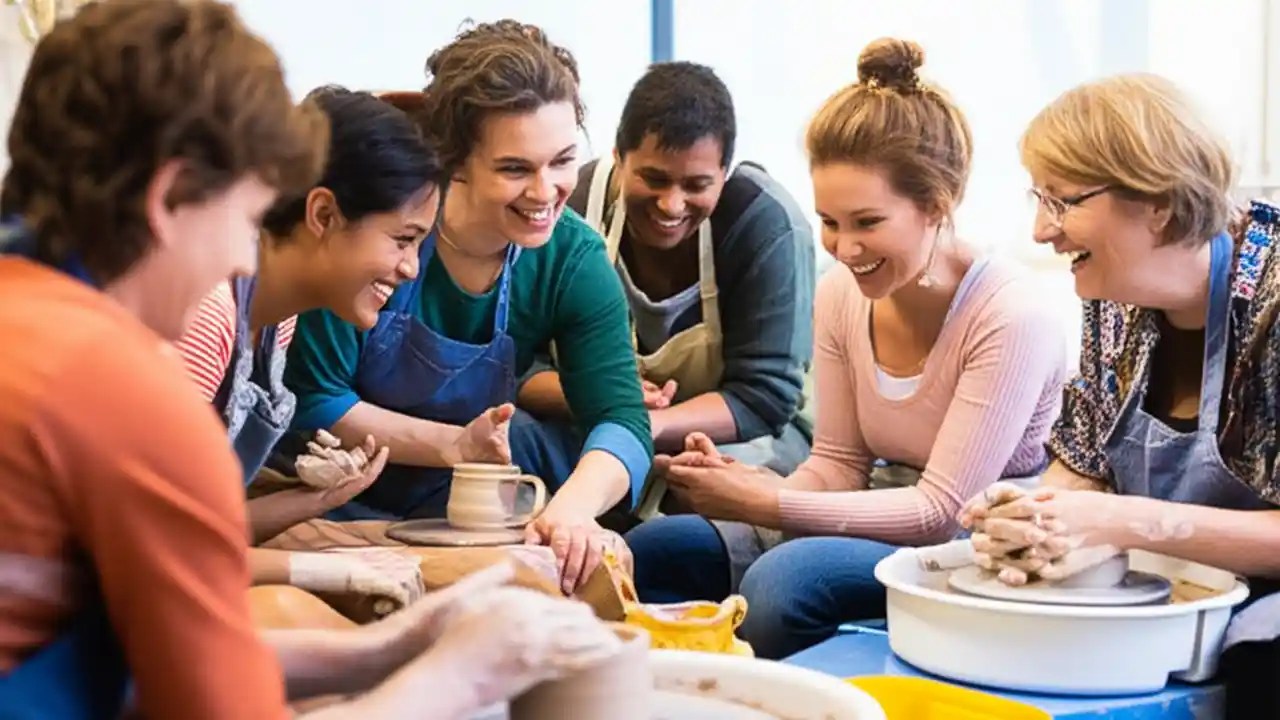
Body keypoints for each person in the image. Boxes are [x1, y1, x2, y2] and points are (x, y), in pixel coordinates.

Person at [0, 2, 623, 717]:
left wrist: (403, 641)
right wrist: (460, 672)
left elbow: (163, 638)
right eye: (244, 218)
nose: (244, 256)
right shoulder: (132, 380)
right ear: (169, 198)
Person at [623, 38, 1067, 660]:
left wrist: (769, 501)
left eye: (868, 222)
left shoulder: (1011, 314)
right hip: (876, 513)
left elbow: (941, 511)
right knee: (647, 553)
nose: (844, 247)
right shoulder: (841, 295)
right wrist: (742, 487)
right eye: (830, 222)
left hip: (979, 543)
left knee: (780, 588)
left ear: (937, 206)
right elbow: (837, 463)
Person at [284, 20, 650, 593]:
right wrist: (452, 446)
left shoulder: (572, 258)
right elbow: (314, 400)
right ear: (454, 161)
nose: (546, 191)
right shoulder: (382, 234)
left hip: (454, 503)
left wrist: (575, 511)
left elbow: (623, 422)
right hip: (323, 497)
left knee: (588, 569)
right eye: (514, 168)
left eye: (561, 161)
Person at [958, 73, 1280, 720]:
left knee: (1261, 664)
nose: (1042, 231)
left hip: (1262, 600)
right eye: (1037, 198)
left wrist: (1120, 523)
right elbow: (1083, 460)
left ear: (1156, 201)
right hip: (1189, 578)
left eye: (1062, 201)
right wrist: (1041, 519)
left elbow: (1118, 514)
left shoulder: (1272, 298)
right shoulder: (1112, 297)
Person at [173, 85, 456, 613]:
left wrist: (316, 502)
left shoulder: (276, 328)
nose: (412, 267)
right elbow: (162, 555)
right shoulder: (207, 320)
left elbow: (201, 529)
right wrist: (331, 571)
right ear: (323, 214)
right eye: (402, 240)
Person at [520, 61, 815, 520]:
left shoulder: (763, 224)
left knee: (689, 523)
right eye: (653, 179)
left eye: (697, 185)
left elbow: (765, 396)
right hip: (590, 420)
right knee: (518, 445)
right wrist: (604, 395)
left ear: (725, 171)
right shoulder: (572, 211)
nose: (672, 205)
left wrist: (639, 425)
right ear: (619, 156)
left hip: (735, 440)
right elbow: (520, 364)